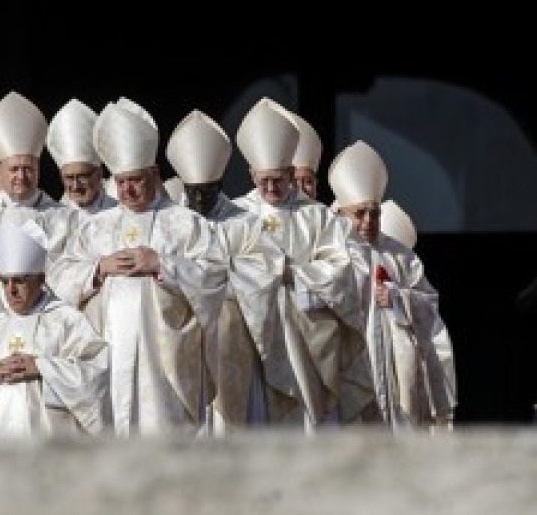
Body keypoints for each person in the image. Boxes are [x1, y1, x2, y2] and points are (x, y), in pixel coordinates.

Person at [48, 102, 221, 435]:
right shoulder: (95, 228)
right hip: (107, 355)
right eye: (121, 181)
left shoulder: (186, 224)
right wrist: (98, 268)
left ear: (154, 176)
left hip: (165, 363)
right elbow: (58, 276)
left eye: (136, 180)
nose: (127, 190)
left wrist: (162, 264)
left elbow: (214, 276)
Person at [231, 98, 373, 426]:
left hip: (308, 341)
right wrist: (261, 278)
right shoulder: (235, 215)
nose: (270, 187)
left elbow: (343, 269)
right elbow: (216, 269)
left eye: (278, 179)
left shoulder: (317, 216)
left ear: (290, 173)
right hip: (254, 338)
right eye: (263, 179)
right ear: (251, 173)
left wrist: (293, 276)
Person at [165, 110, 295, 429]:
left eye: (206, 191)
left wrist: (193, 276)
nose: (197, 200)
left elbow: (265, 278)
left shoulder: (244, 223)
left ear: (219, 184)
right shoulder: (169, 224)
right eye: (192, 191)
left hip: (231, 338)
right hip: (180, 338)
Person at [328, 141, 456, 429]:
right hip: (352, 366)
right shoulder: (331, 253)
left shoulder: (401, 256)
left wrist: (400, 299)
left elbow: (429, 306)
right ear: (341, 214)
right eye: (359, 213)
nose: (368, 221)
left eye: (374, 213)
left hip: (396, 371)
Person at [0, 222, 108, 437]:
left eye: (19, 281)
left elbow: (97, 370)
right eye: (5, 282)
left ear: (41, 280)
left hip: (51, 442)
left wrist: (42, 367)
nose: (11, 290)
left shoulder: (67, 321)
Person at [0, 91, 80, 268]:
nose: (21, 176)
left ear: (38, 170)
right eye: (14, 169)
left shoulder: (65, 219)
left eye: (28, 169)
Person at [46, 99, 116, 215]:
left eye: (83, 176)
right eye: (69, 177)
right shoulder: (52, 217)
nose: (75, 185)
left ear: (99, 174)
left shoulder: (119, 214)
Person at [272, 104, 323, 200]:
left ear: (316, 185)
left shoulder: (326, 214)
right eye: (294, 181)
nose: (301, 189)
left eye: (308, 182)